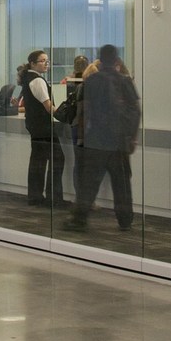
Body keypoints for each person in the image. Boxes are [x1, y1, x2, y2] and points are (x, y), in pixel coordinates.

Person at [64, 45, 141, 233]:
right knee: (122, 184)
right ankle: (125, 220)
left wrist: (83, 137)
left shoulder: (92, 81)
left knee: (89, 183)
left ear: (99, 59)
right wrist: (132, 137)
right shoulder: (124, 81)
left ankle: (79, 219)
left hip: (96, 139)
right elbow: (135, 110)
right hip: (119, 140)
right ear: (116, 60)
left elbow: (85, 111)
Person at [19, 51, 64, 209]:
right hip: (43, 127)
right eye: (42, 61)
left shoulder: (29, 78)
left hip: (34, 125)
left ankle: (36, 196)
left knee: (38, 161)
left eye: (47, 61)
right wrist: (64, 115)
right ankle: (54, 198)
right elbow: (48, 106)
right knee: (58, 159)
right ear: (32, 63)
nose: (46, 64)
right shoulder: (37, 81)